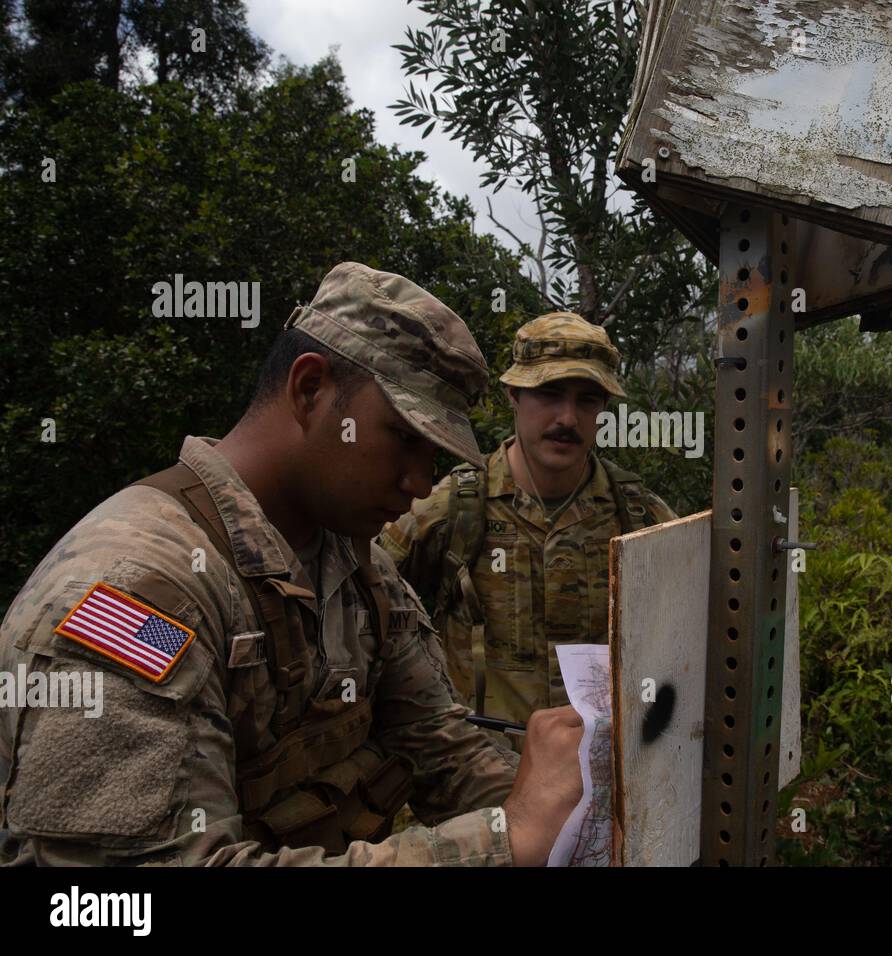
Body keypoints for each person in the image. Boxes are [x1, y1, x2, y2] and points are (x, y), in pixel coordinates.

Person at [0, 262, 582, 866]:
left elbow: (437, 745)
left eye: (433, 455)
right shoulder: (133, 594)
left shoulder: (357, 567)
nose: (419, 482)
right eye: (404, 438)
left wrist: (571, 814)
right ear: (310, 390)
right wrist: (504, 842)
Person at [379, 312, 677, 729]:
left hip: (604, 772)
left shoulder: (639, 515)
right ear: (513, 395)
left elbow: (690, 630)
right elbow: (364, 602)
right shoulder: (457, 505)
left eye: (587, 399)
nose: (568, 419)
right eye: (550, 394)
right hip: (484, 774)